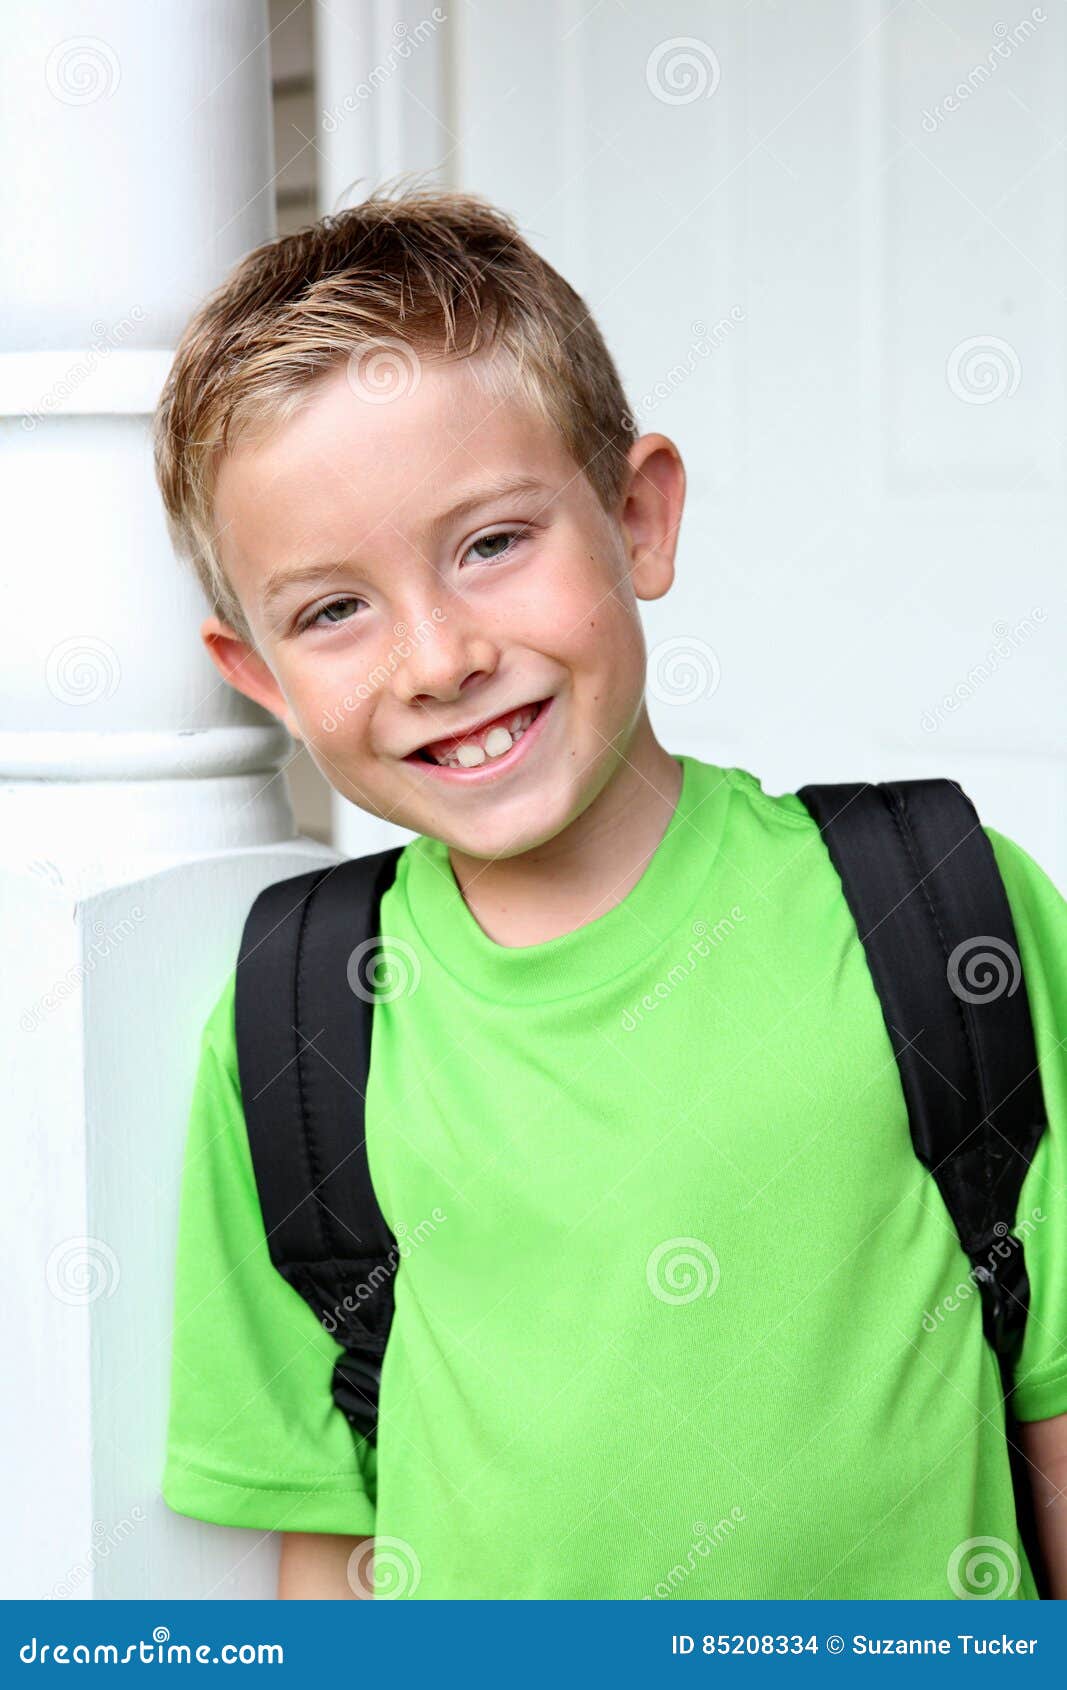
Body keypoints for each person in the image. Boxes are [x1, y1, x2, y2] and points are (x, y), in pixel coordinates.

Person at [153, 183, 1067, 1601]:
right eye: (334, 608)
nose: (439, 656)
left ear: (636, 517)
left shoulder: (937, 910)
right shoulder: (296, 1025)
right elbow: (328, 1541)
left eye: (491, 543)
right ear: (264, 678)